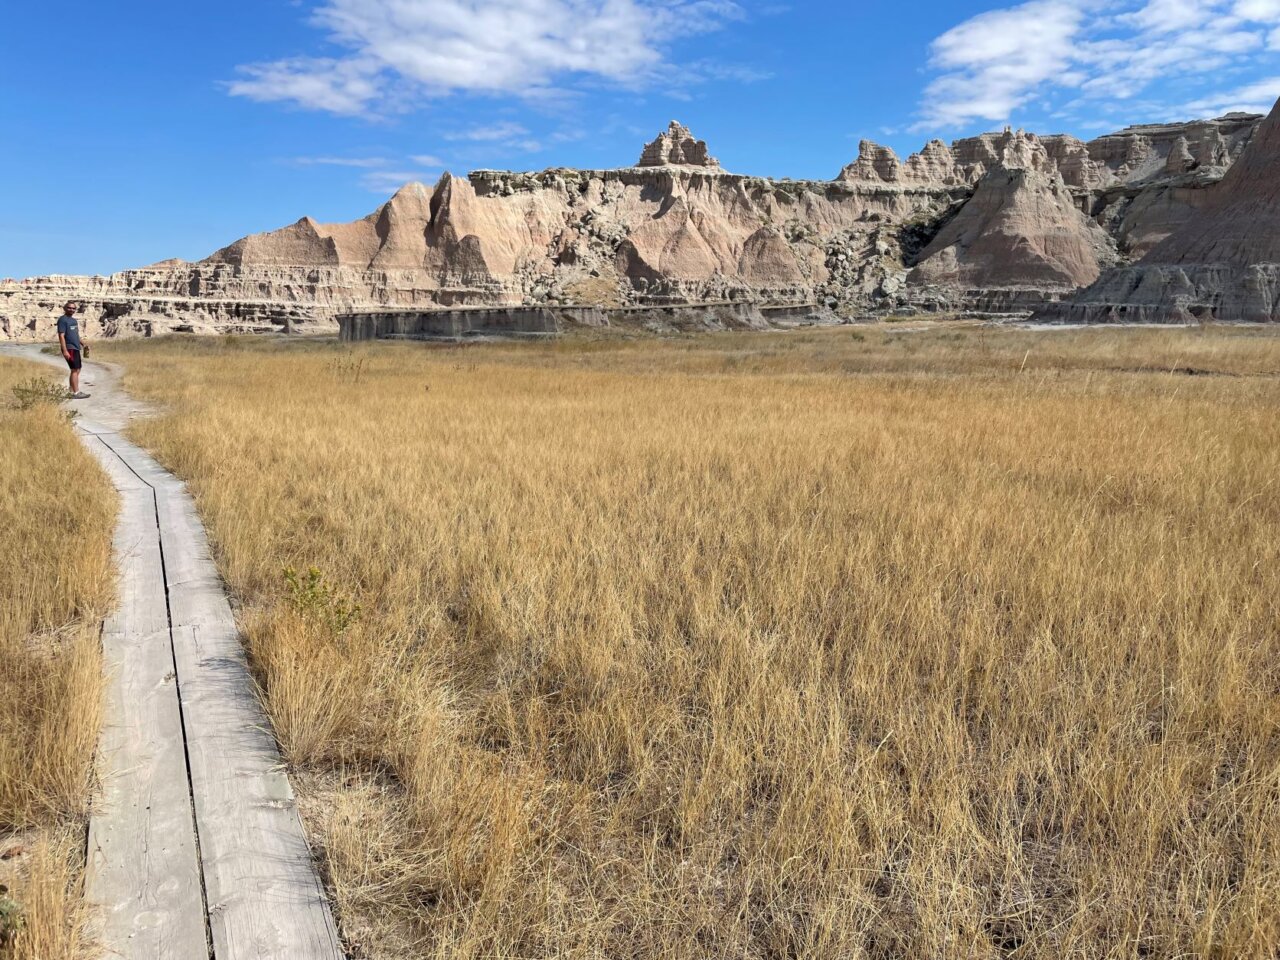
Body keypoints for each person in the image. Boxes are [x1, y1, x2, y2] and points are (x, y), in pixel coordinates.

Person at [56, 302, 90, 399]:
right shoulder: (62, 320)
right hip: (69, 348)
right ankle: (76, 392)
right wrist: (65, 350)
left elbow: (75, 335)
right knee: (74, 369)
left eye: (73, 308)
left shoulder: (74, 321)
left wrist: (83, 344)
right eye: (69, 308)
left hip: (76, 348)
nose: (71, 310)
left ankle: (71, 390)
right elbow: (61, 336)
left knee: (77, 369)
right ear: (65, 308)